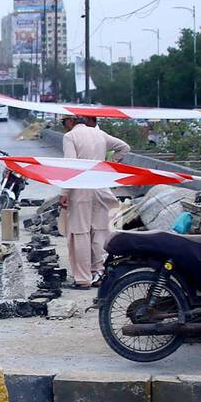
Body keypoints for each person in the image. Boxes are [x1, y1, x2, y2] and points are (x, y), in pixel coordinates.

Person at [61, 115, 130, 289]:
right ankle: (99, 272)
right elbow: (124, 147)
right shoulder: (100, 134)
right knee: (99, 232)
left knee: (80, 233)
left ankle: (83, 279)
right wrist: (108, 164)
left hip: (81, 189)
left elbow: (70, 166)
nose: (64, 127)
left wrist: (64, 193)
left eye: (64, 123)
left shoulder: (70, 137)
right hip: (100, 186)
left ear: (70, 121)